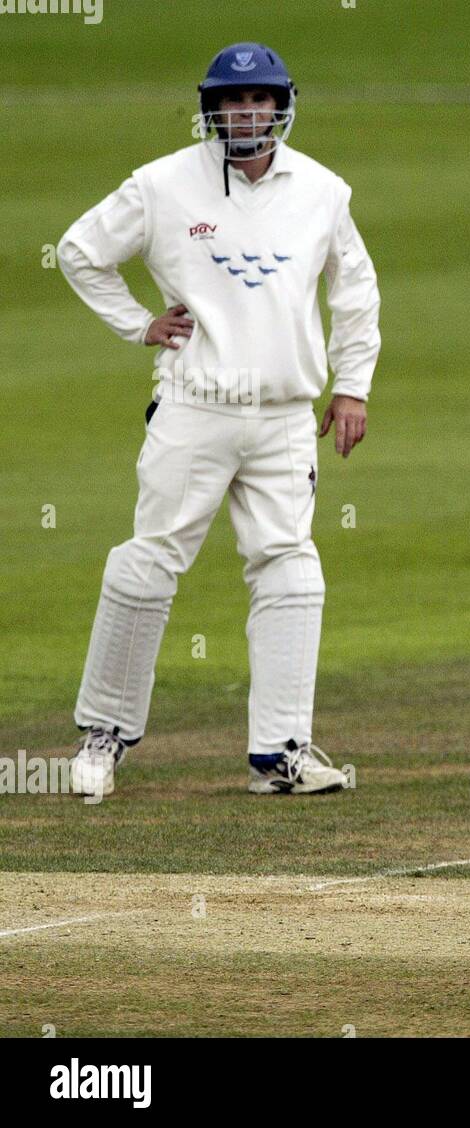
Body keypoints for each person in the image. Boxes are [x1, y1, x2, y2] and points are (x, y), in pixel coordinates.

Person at [57, 42, 381, 797]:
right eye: (233, 103)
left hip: (283, 415)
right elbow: (79, 251)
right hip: (196, 407)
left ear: (281, 106)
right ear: (213, 111)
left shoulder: (324, 192)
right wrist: (137, 323)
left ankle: (282, 753)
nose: (247, 114)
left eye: (261, 101)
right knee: (149, 560)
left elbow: (355, 294)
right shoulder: (164, 184)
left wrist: (353, 387)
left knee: (290, 567)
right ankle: (103, 738)